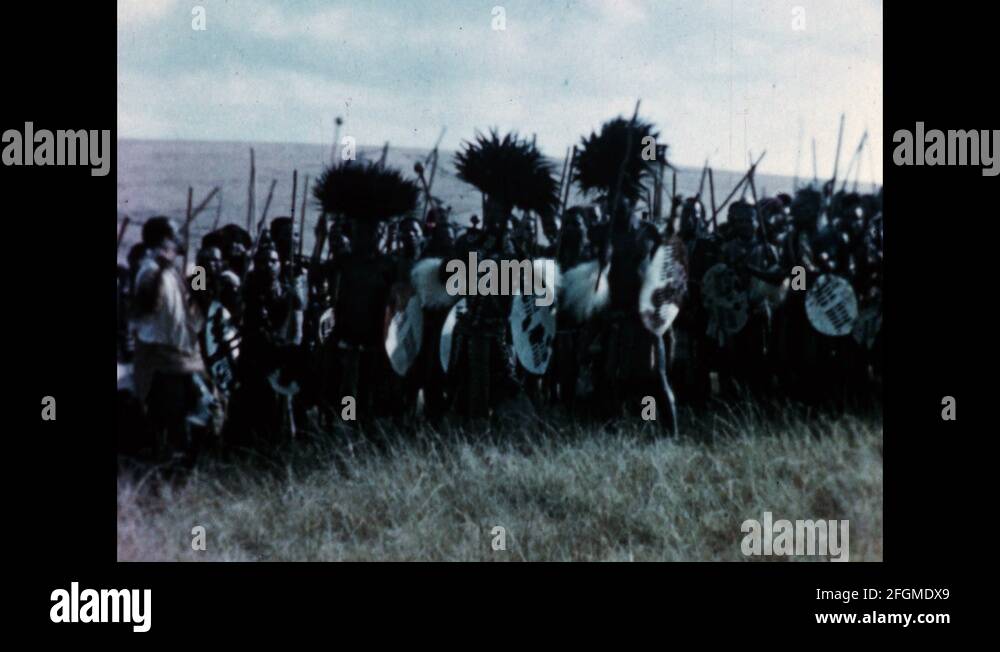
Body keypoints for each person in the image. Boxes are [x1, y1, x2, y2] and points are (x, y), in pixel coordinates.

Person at [130, 216, 218, 461]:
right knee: (172, 427)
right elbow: (148, 305)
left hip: (183, 359)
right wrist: (161, 268)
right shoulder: (148, 270)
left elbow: (195, 307)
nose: (180, 239)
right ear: (162, 241)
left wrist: (200, 277)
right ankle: (164, 484)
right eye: (174, 235)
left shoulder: (176, 270)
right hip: (162, 364)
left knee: (200, 418)